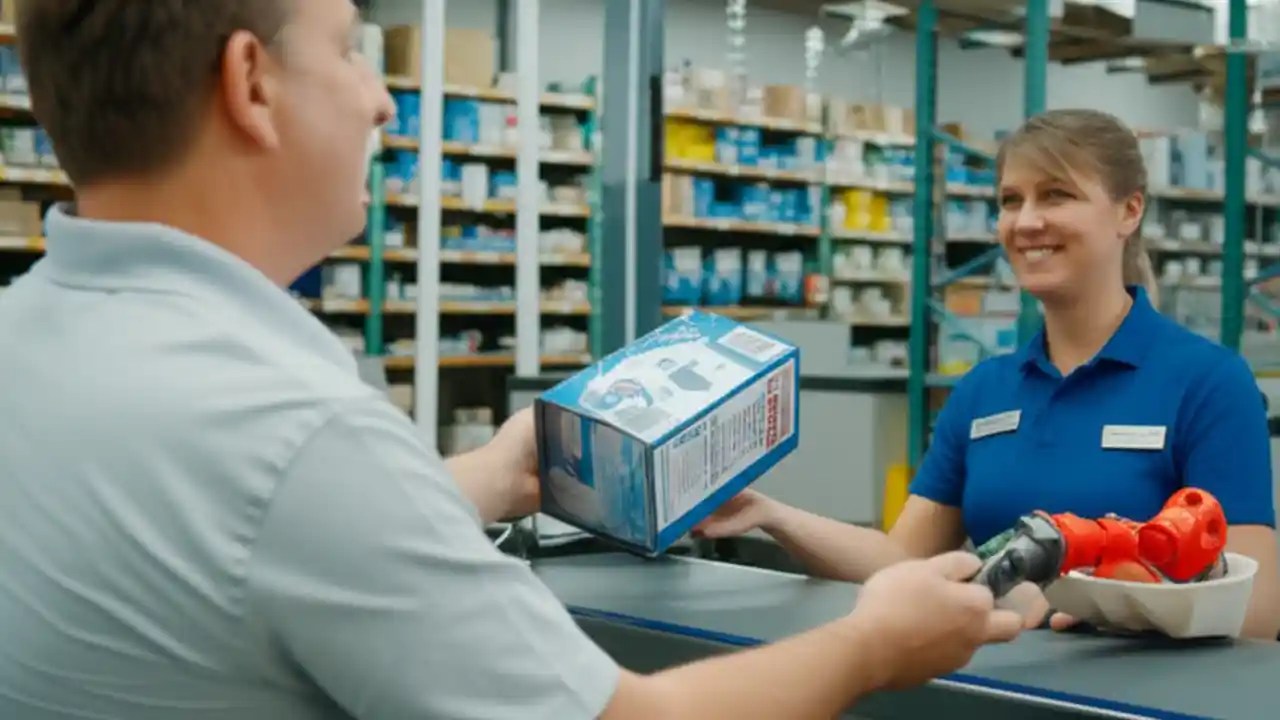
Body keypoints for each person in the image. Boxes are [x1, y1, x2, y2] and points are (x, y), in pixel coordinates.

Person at [0, 2, 1027, 718]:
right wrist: (873, 643)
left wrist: (492, 477)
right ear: (250, 82)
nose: (381, 103)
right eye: (352, 50)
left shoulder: (26, 341)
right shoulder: (297, 433)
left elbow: (233, 544)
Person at [697, 108, 1280, 641]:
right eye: (1010, 200)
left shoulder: (1206, 381)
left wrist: (1102, 601)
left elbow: (1259, 607)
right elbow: (903, 561)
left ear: (1129, 210)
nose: (1026, 221)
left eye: (1056, 195)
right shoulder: (985, 391)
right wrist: (769, 515)